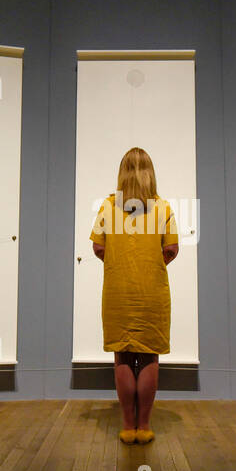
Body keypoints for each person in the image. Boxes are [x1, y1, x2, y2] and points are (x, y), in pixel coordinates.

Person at [89, 147, 180, 445]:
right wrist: (149, 266)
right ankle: (145, 425)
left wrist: (120, 264)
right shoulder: (162, 208)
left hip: (117, 293)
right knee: (149, 356)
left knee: (123, 357)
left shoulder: (108, 207)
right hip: (152, 292)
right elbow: (171, 249)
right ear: (150, 173)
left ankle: (128, 427)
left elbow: (98, 248)